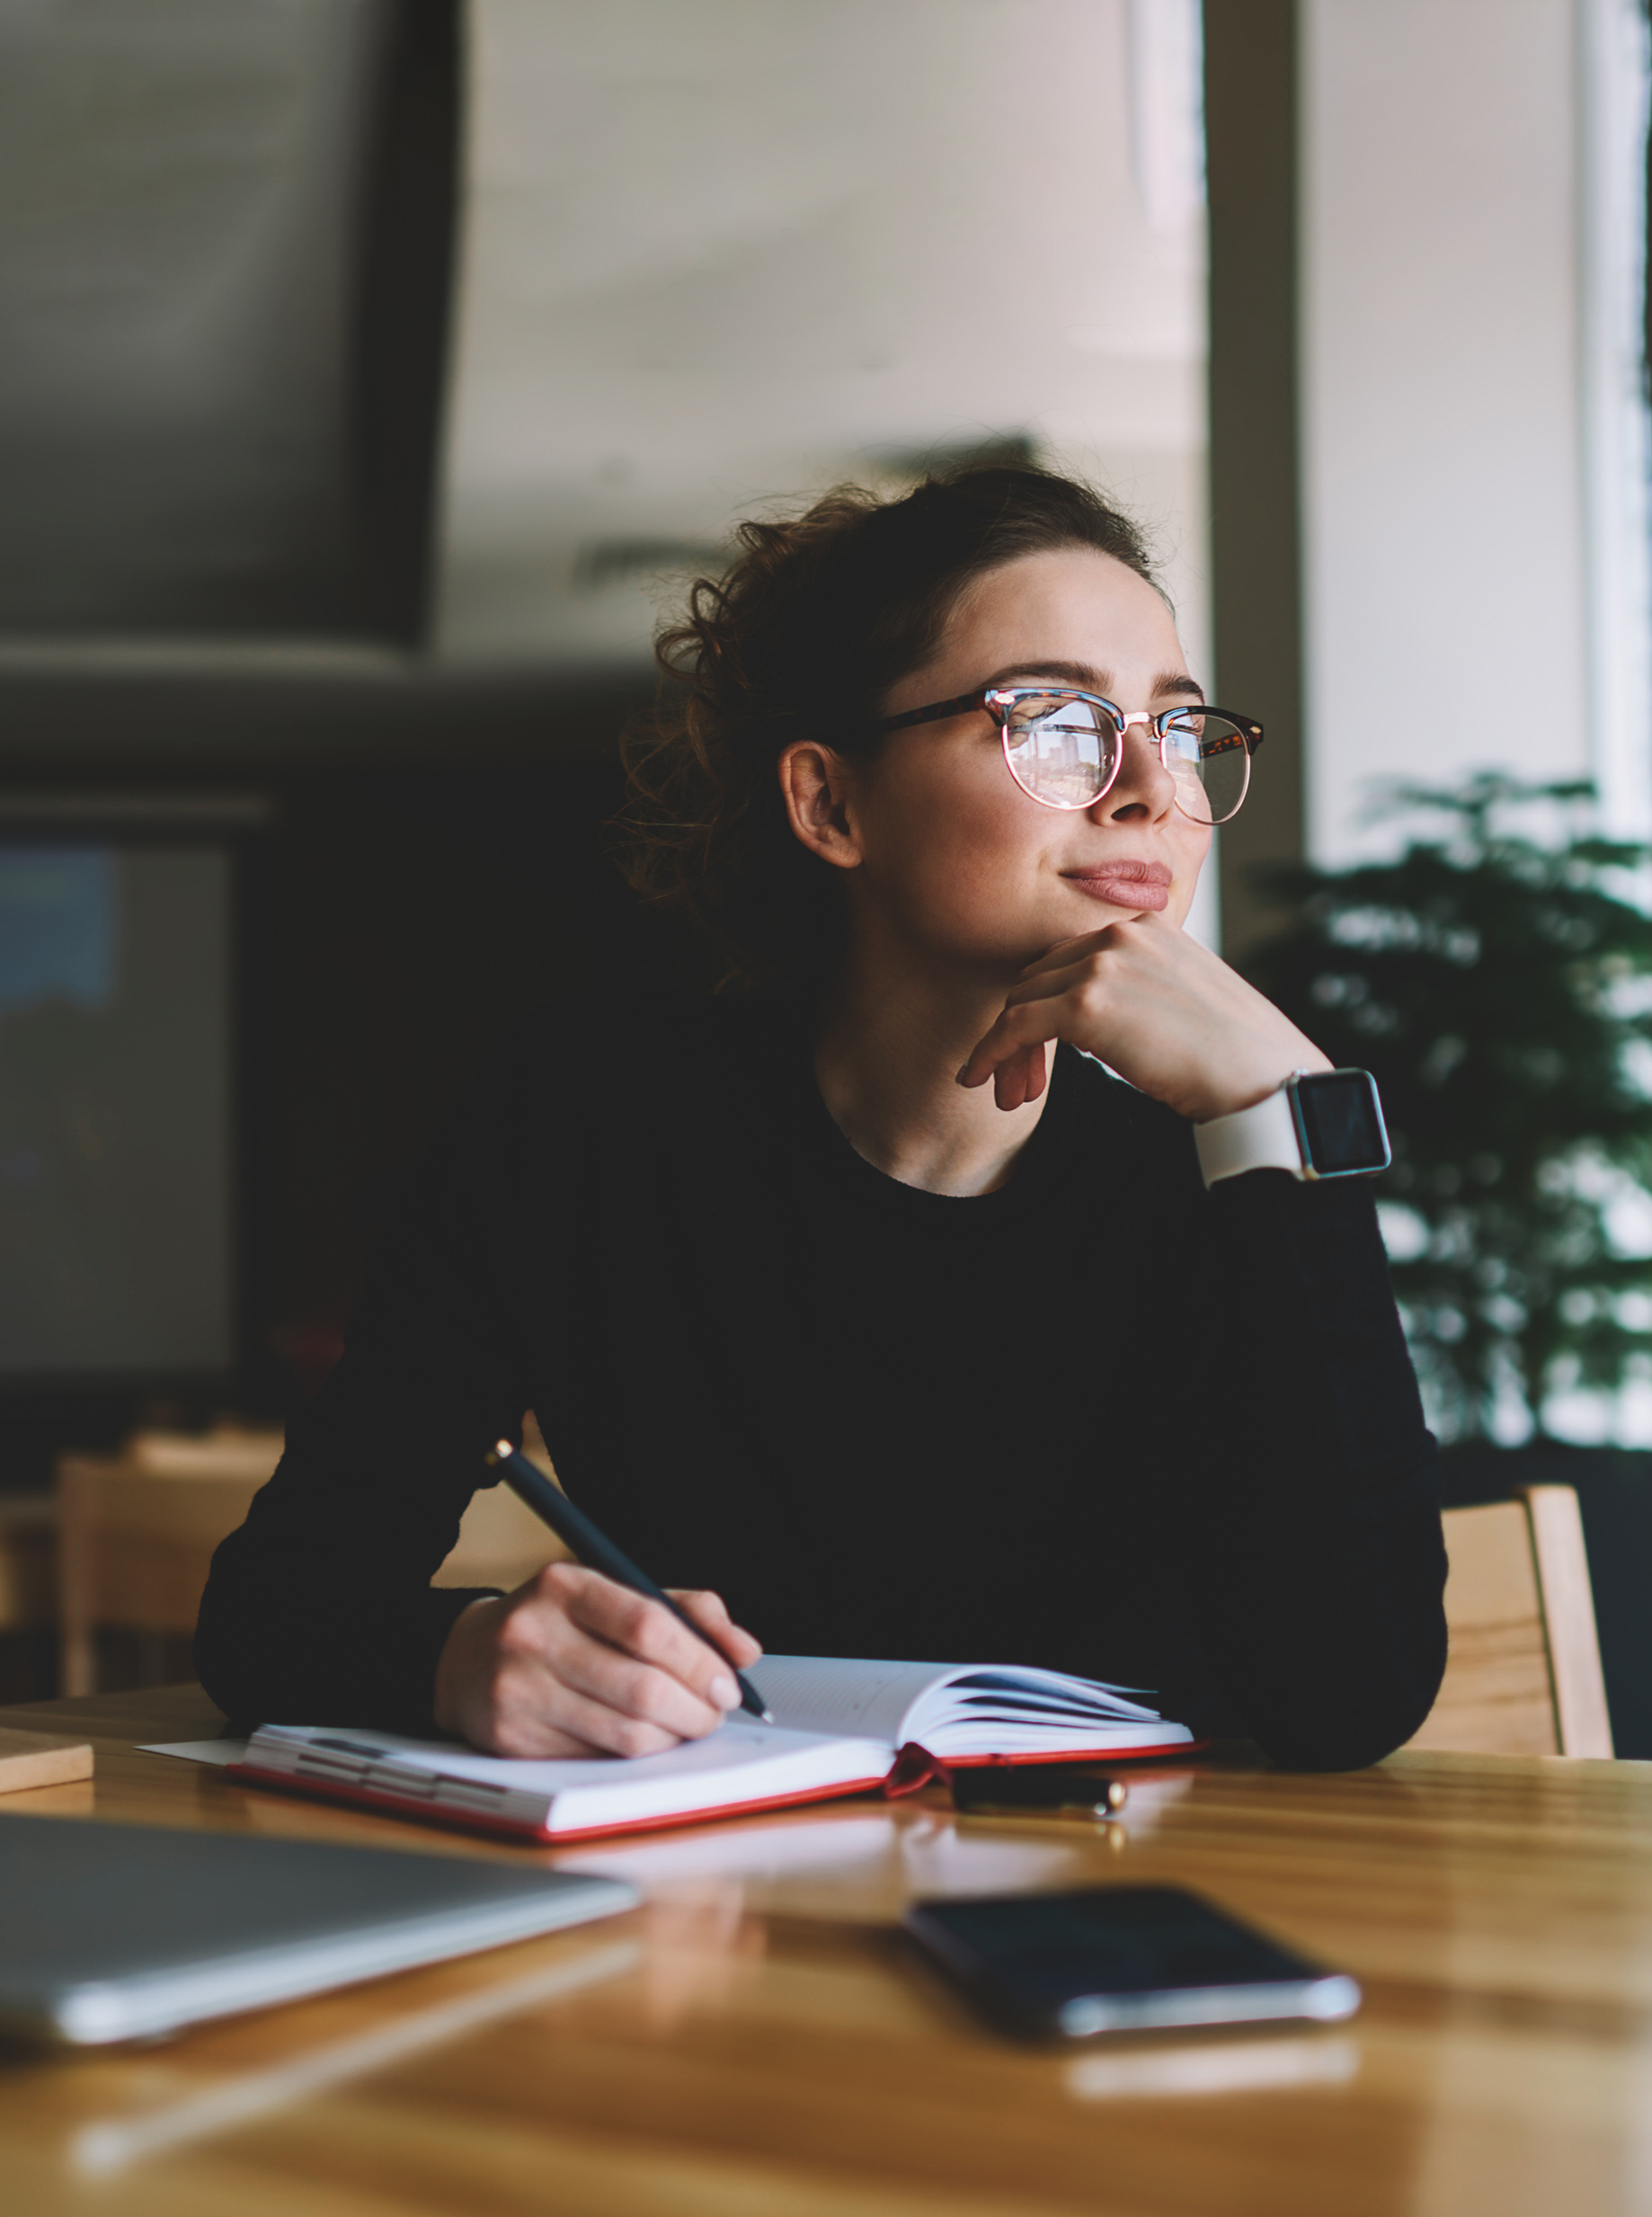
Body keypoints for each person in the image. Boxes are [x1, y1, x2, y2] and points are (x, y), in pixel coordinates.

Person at [195, 467, 1443, 1770]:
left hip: (1139, 1903)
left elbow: (1349, 1703)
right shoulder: (588, 1120)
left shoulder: (1223, 1182)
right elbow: (271, 1614)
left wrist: (1284, 1117)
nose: (1147, 788)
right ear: (830, 803)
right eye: (1056, 719)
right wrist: (456, 1658)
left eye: (1178, 730)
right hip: (719, 1905)